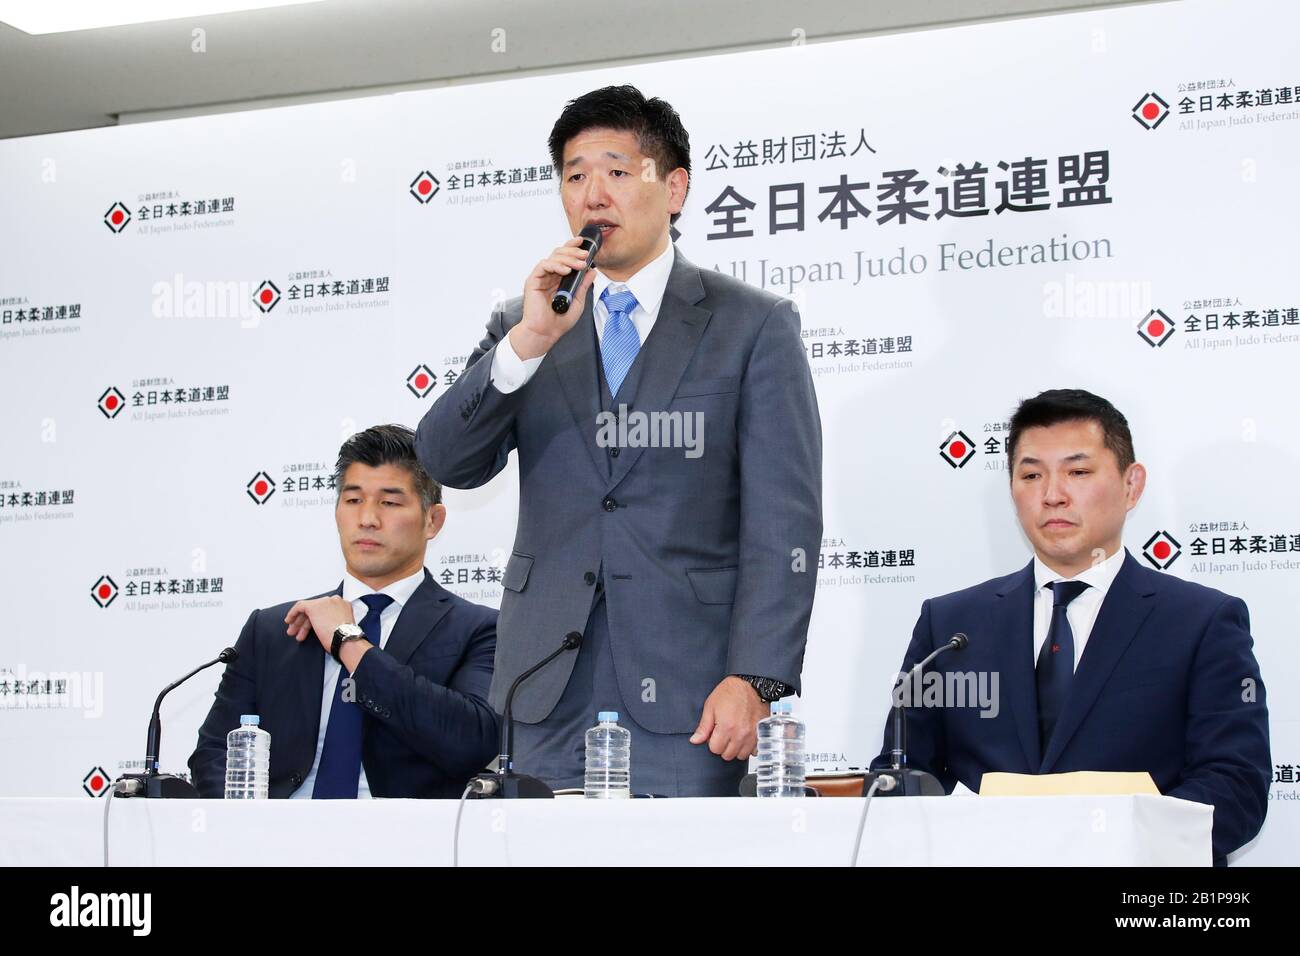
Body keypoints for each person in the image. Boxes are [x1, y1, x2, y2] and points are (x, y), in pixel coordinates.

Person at [416, 85, 822, 796]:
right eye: (574, 176)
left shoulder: (752, 326)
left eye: (615, 170)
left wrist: (755, 677)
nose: (592, 193)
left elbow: (783, 521)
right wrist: (530, 340)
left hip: (692, 696)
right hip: (541, 693)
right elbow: (446, 459)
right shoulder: (532, 322)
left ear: (674, 188)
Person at [876, 389, 1270, 863]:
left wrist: (1108, 845)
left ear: (1132, 485)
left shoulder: (1201, 621)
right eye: (1031, 474)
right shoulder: (950, 626)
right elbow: (902, 774)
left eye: (1078, 472)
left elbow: (1235, 784)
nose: (1052, 495)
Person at [189, 424, 499, 798]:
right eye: (353, 500)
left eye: (389, 502)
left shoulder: (478, 629)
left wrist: (349, 641)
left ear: (433, 521)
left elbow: (471, 744)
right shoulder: (273, 629)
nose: (367, 519)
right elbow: (212, 756)